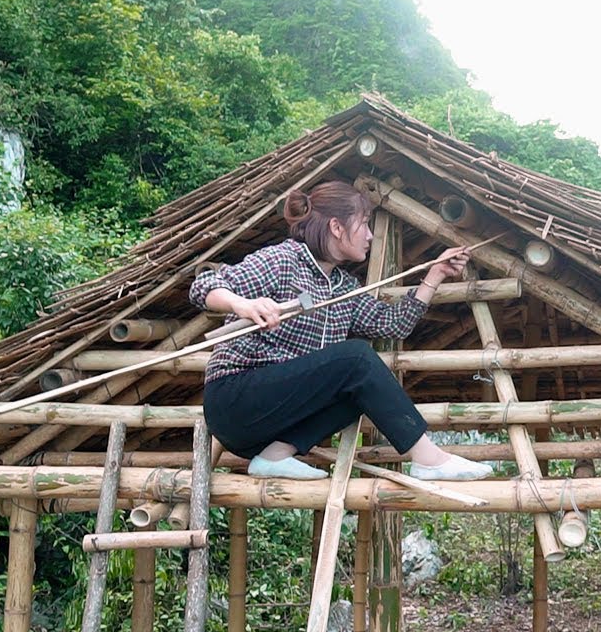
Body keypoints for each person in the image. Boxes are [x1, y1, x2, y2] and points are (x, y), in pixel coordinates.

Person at [188, 180, 493, 482]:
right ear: (336, 227)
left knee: (358, 390)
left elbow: (393, 324)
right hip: (235, 401)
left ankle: (275, 456)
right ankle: (428, 459)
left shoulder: (344, 287)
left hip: (270, 427)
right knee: (357, 357)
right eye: (364, 223)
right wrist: (243, 304)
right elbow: (204, 286)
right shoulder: (283, 259)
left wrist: (436, 274)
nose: (370, 235)